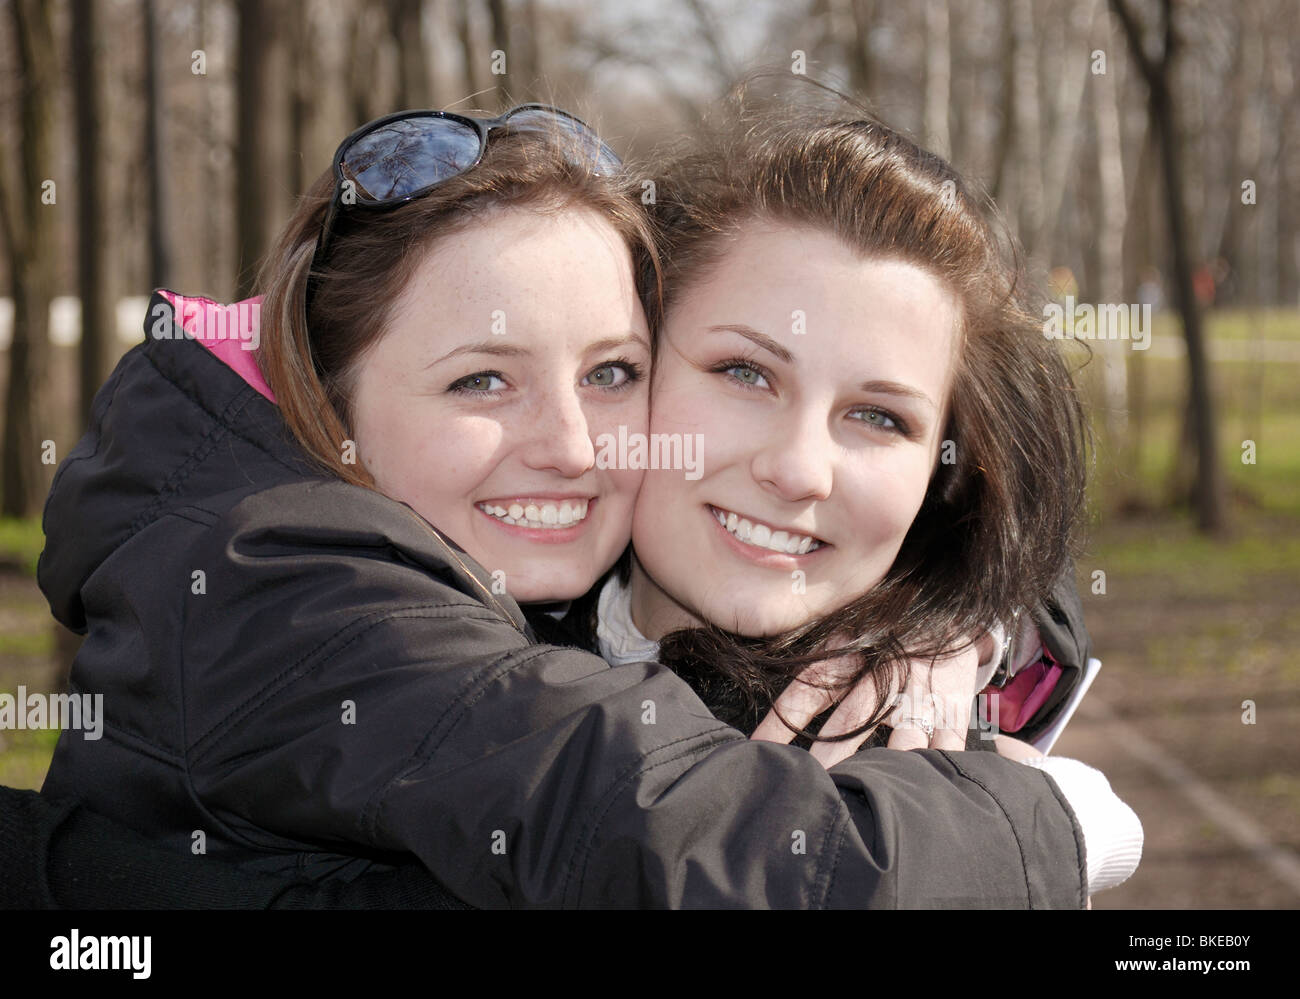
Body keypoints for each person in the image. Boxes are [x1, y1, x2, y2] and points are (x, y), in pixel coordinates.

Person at [30, 101, 1093, 909]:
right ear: (327, 401)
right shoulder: (294, 582)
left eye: (608, 373)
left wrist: (971, 618)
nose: (571, 449)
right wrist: (1071, 826)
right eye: (744, 372)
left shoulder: (916, 711)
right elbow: (632, 811)